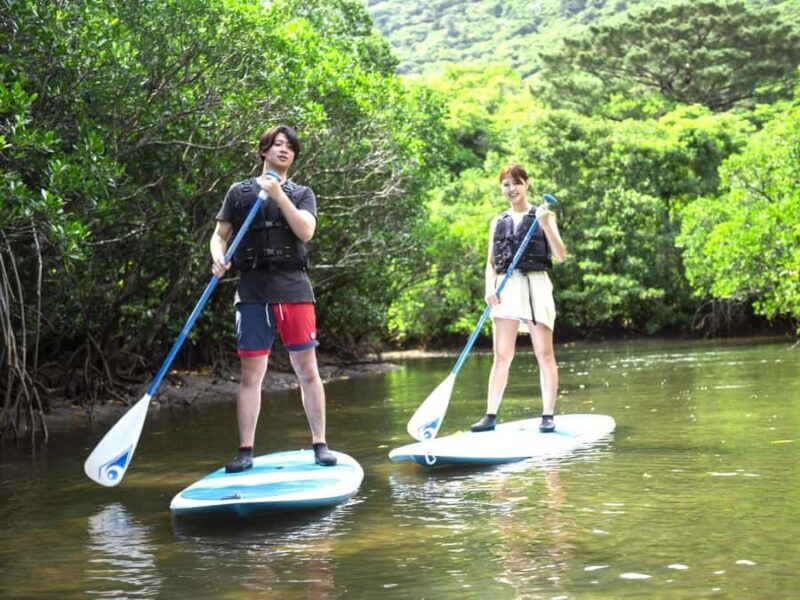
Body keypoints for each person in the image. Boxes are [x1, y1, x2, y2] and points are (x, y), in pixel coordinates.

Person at [210, 125, 337, 471]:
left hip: (293, 288)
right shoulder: (239, 192)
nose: (283, 150)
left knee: (307, 371)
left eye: (289, 146)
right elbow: (219, 236)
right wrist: (217, 256)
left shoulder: (302, 193)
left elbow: (305, 231)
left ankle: (320, 445)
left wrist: (279, 196)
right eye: (276, 144)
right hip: (252, 290)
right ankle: (245, 450)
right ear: (263, 151)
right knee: (251, 373)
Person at [470, 163, 567, 434]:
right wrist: (489, 288)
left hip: (535, 286)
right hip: (504, 289)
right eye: (506, 184)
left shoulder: (543, 215)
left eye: (516, 183)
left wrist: (547, 225)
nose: (511, 189)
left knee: (544, 354)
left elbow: (561, 255)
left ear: (527, 184)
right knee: (501, 356)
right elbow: (490, 262)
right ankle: (490, 415)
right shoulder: (497, 221)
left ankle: (547, 415)